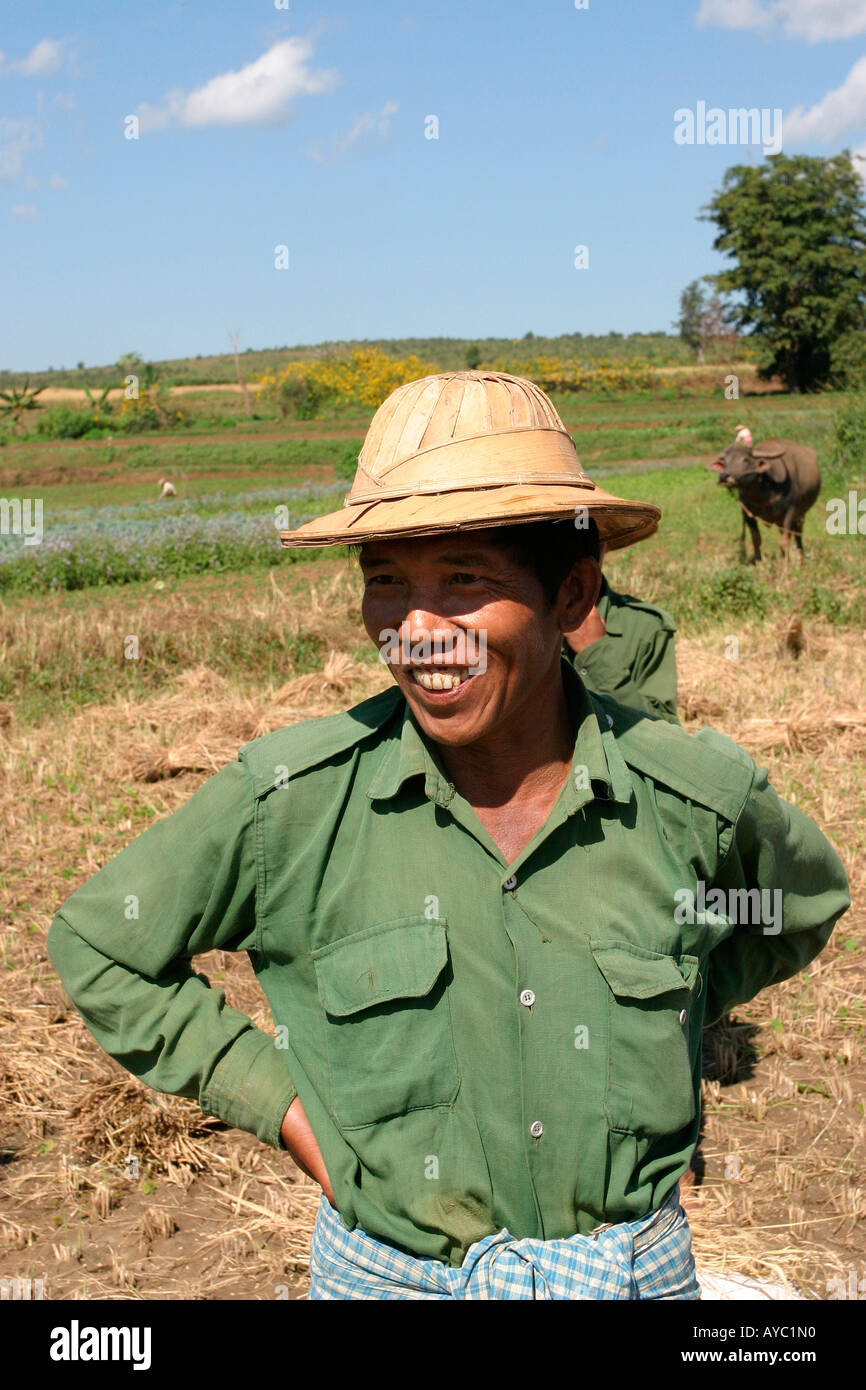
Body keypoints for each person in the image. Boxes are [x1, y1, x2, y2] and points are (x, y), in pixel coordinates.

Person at [47, 370, 850, 1301]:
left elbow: (797, 904)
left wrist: (671, 996)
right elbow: (102, 945)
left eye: (465, 581)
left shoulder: (689, 797)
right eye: (387, 583)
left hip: (630, 1278)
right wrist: (287, 1110)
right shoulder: (293, 804)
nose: (418, 632)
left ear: (573, 595)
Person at [561, 540, 678, 723]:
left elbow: (668, 739)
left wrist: (596, 653)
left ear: (602, 547)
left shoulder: (644, 627)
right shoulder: (516, 623)